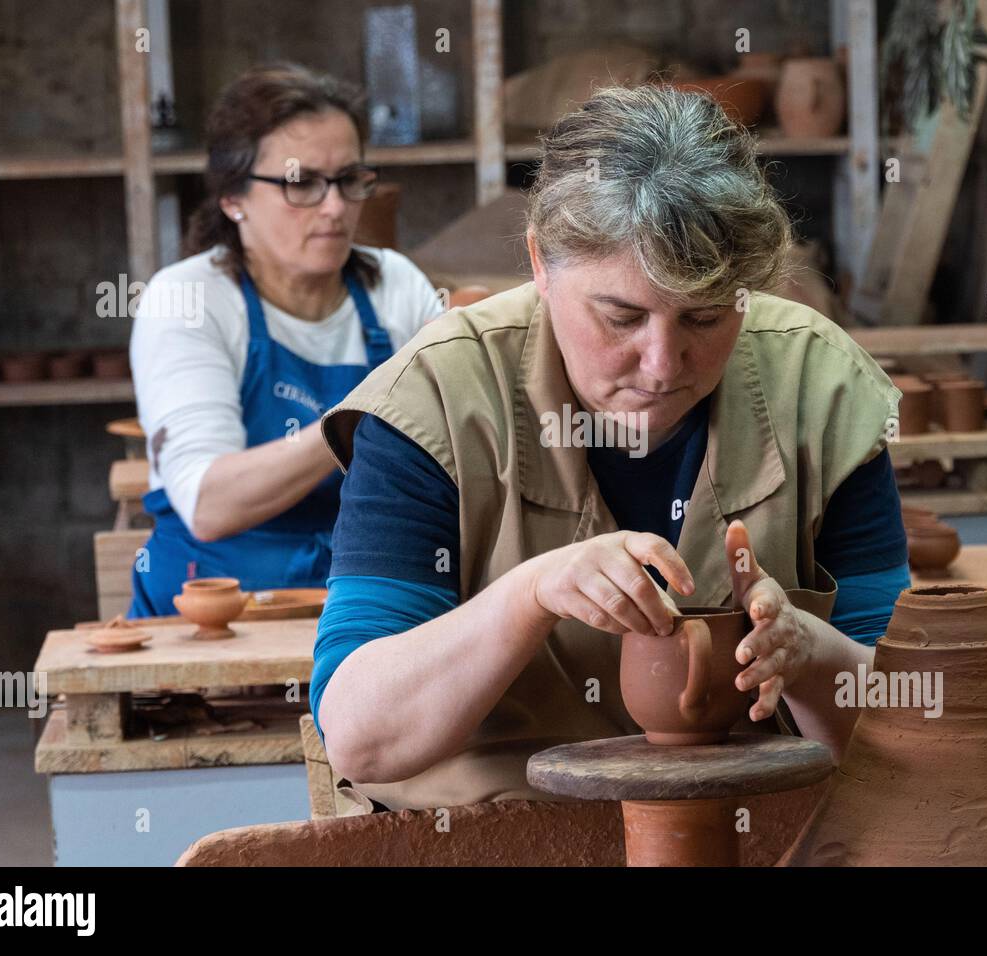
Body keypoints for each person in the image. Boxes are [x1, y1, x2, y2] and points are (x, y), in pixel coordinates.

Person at [313, 85, 911, 812]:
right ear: (540, 261)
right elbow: (359, 736)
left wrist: (812, 655)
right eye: (621, 316)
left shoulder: (822, 389)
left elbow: (909, 725)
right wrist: (528, 597)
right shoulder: (434, 396)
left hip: (752, 832)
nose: (662, 364)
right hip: (488, 839)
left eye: (704, 317)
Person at [128, 64, 443, 616]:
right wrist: (356, 422)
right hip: (215, 611)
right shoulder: (188, 298)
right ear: (233, 197)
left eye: (349, 180)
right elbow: (210, 502)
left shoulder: (396, 284)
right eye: (302, 183)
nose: (334, 207)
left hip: (365, 597)